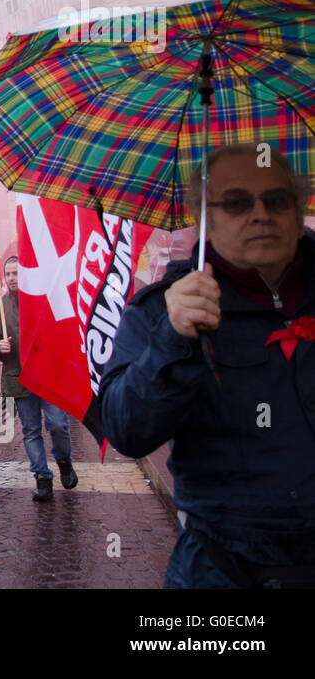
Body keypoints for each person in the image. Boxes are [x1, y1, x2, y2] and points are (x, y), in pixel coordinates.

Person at [100, 144, 315, 588]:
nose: (260, 214)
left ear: (298, 211)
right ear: (205, 217)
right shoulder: (161, 309)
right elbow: (126, 429)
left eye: (276, 200)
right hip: (222, 569)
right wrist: (172, 340)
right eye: (236, 202)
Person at [0, 256, 77, 502]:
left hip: (49, 375)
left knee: (58, 424)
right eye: (8, 274)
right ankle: (42, 477)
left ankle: (63, 460)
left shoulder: (42, 299)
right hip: (20, 377)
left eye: (16, 273)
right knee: (31, 430)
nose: (12, 278)